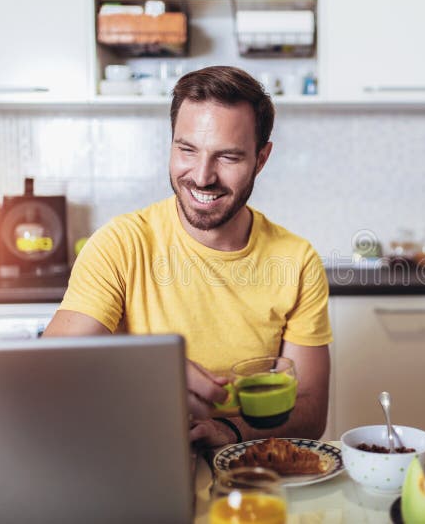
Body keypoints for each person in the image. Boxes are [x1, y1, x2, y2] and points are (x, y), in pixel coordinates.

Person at [43, 66, 332, 448]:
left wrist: (229, 432)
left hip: (248, 466)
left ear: (261, 160)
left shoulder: (297, 260)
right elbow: (47, 373)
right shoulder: (120, 244)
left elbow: (310, 411)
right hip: (139, 457)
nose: (202, 176)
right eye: (187, 150)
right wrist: (147, 370)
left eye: (227, 157)